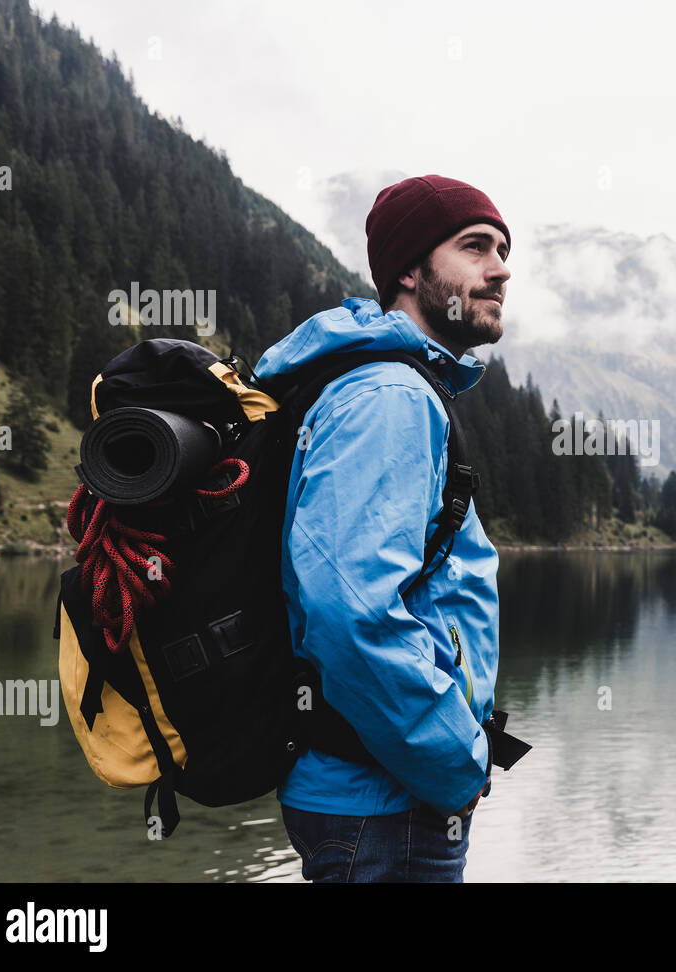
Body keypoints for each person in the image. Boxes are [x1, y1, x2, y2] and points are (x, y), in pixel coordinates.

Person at [254, 175, 512, 882]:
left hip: (378, 793)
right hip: (385, 805)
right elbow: (352, 613)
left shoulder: (386, 384)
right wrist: (457, 761)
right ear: (407, 269)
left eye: (503, 249)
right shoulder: (390, 397)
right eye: (474, 247)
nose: (500, 269)